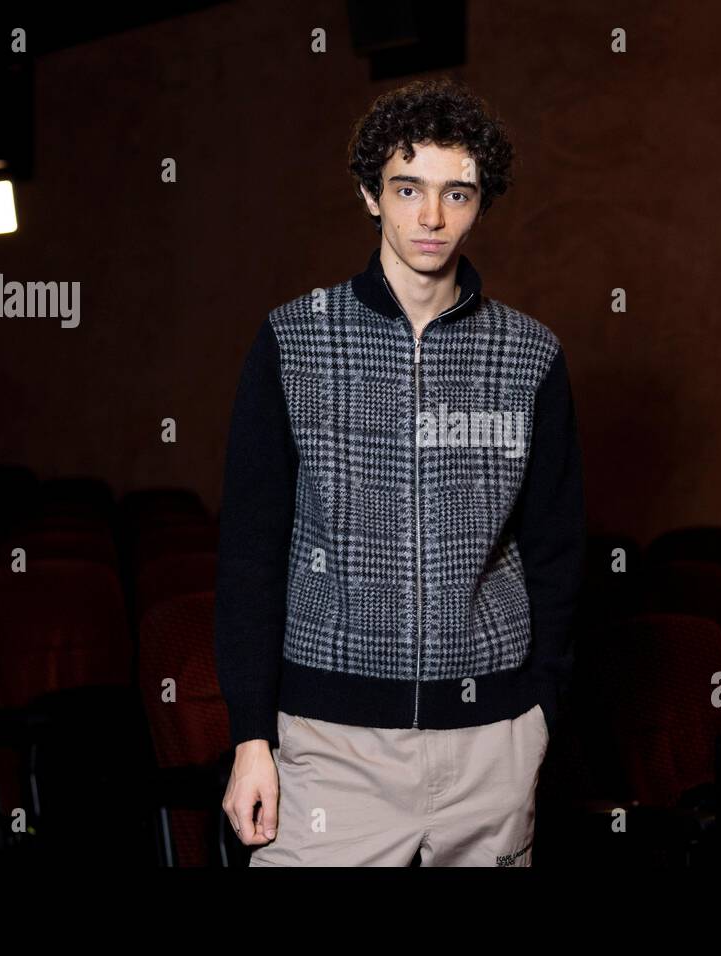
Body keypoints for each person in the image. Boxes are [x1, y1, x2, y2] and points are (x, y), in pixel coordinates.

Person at [215, 76, 584, 866]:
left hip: (492, 740)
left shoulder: (531, 356)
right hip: (331, 744)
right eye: (407, 187)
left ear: (482, 203)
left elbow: (558, 550)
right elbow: (249, 555)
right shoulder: (293, 341)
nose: (432, 217)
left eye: (459, 193)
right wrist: (250, 733)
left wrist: (540, 712)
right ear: (369, 195)